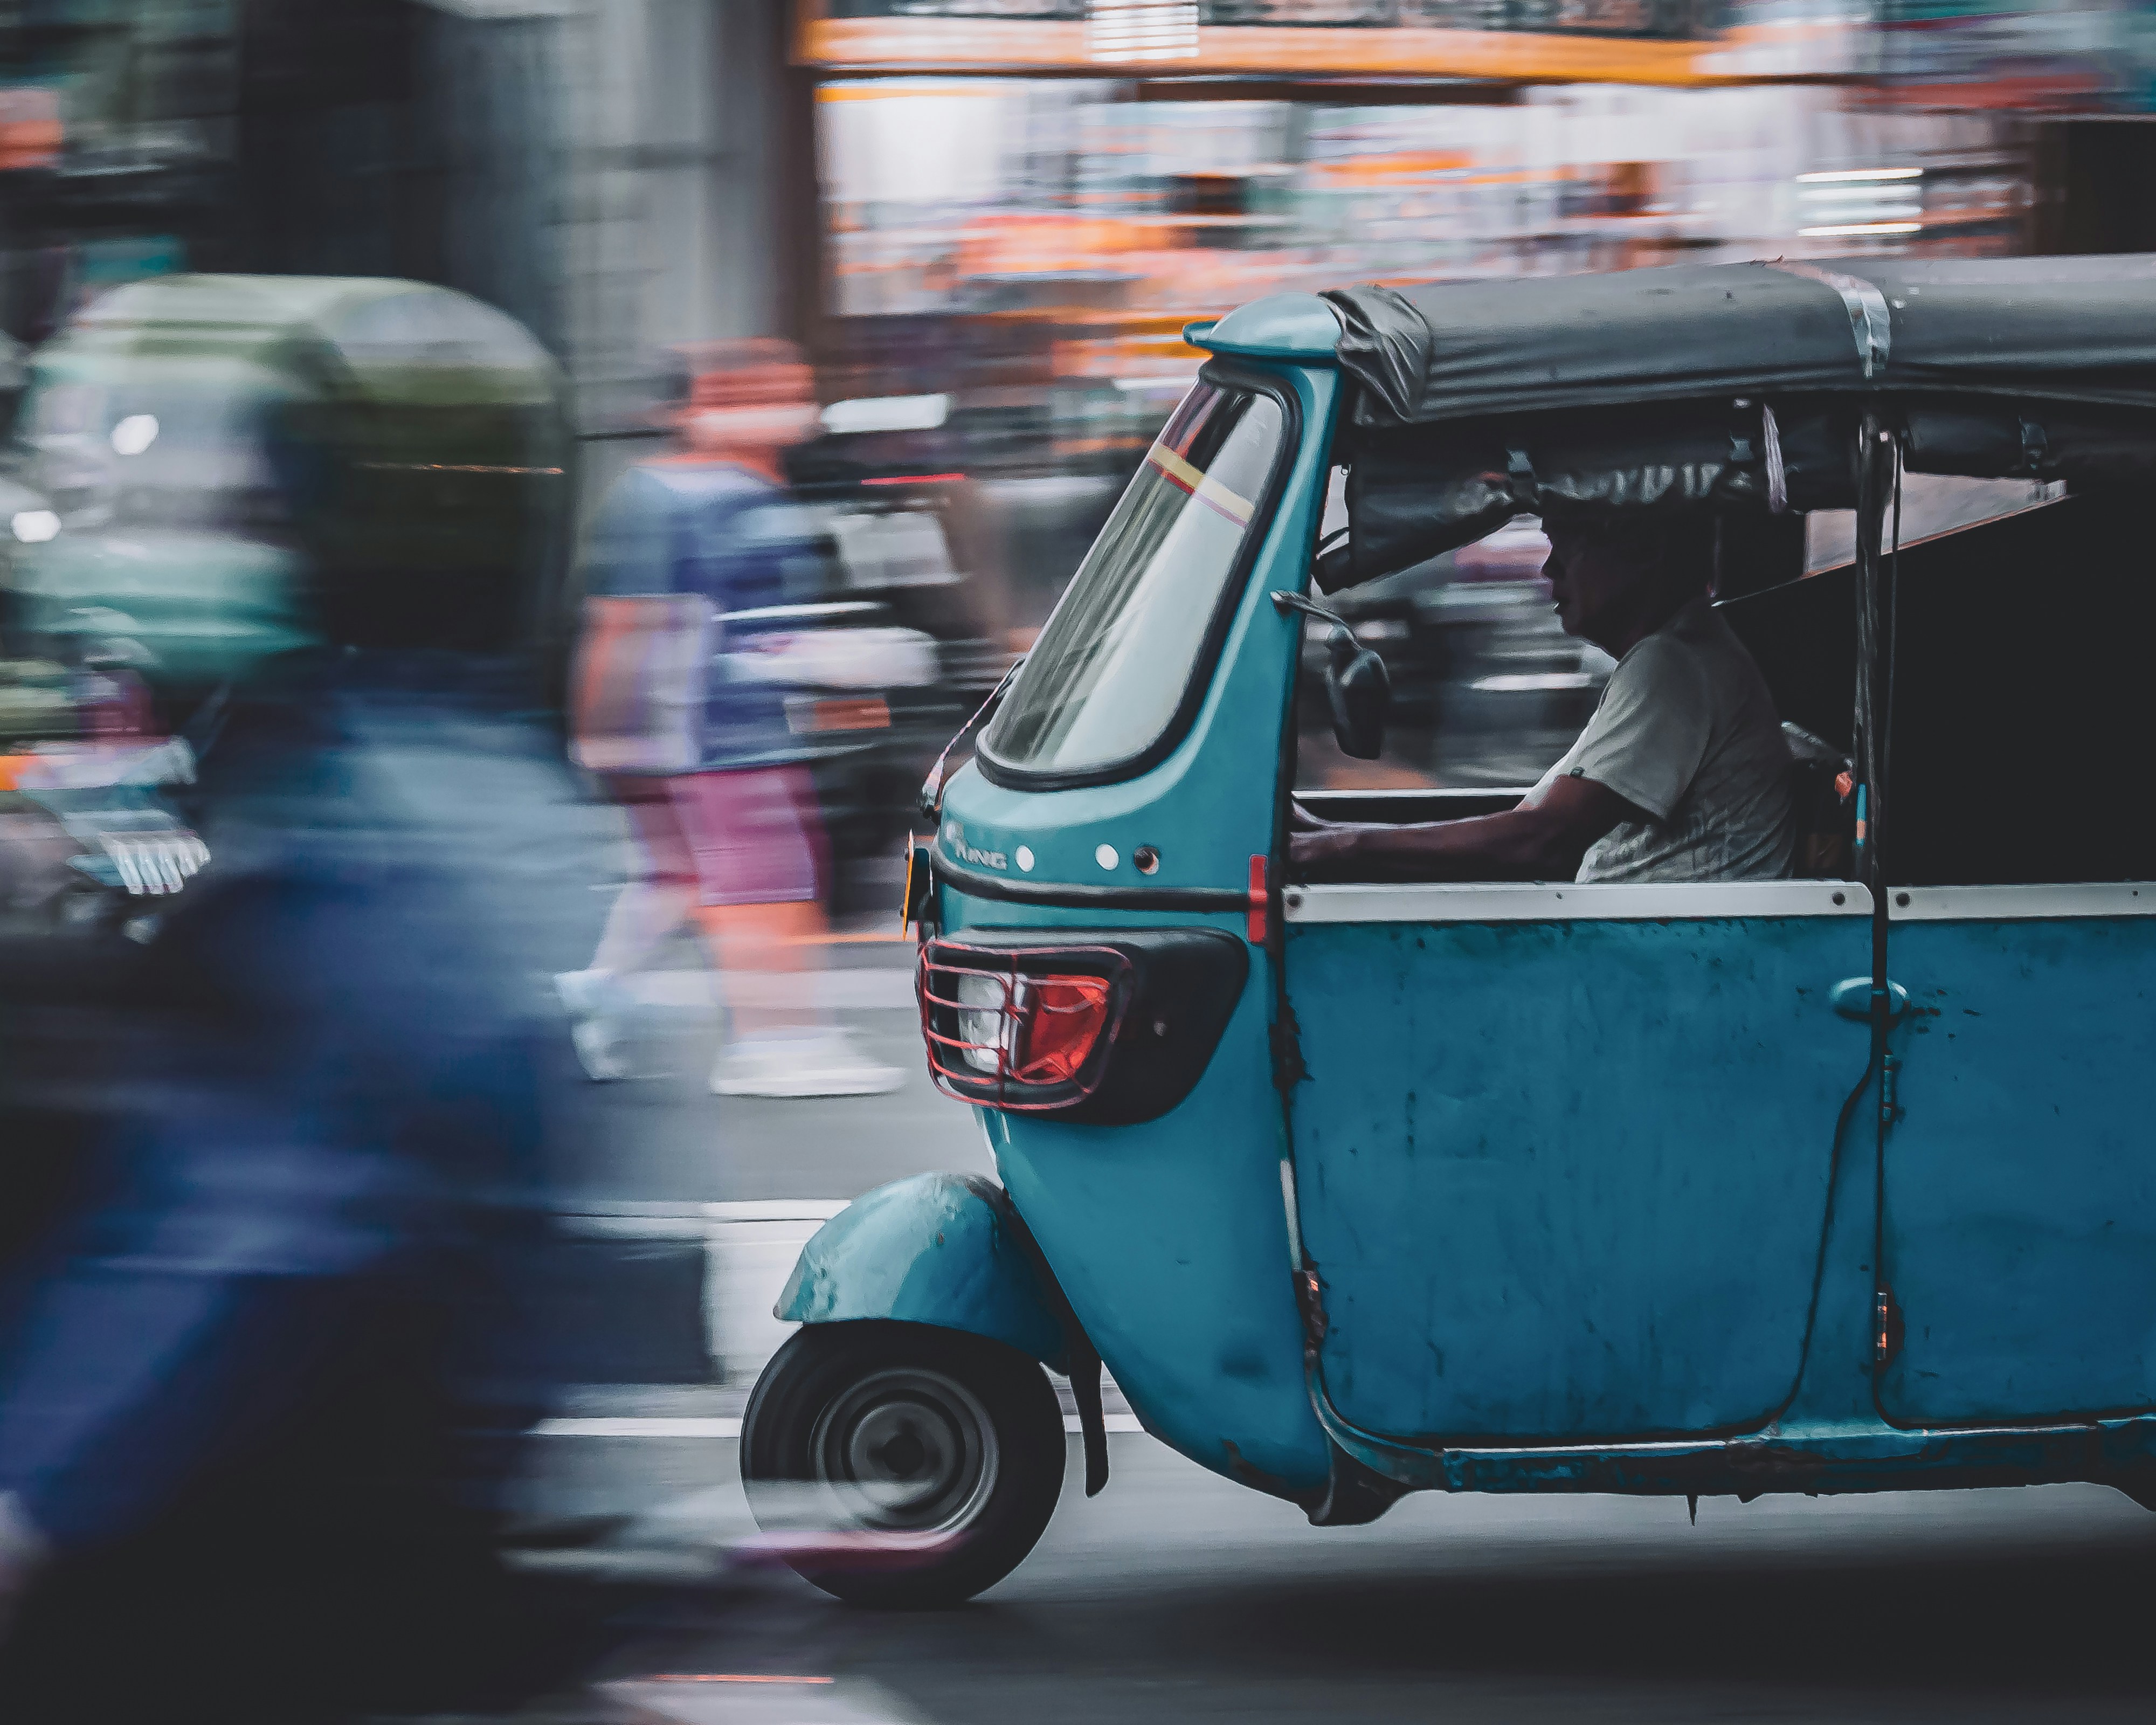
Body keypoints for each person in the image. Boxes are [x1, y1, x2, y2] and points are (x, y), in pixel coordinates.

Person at [557, 341, 902, 1098]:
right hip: (709, 730)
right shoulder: (665, 495)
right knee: (765, 878)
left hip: (747, 720)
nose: (791, 405)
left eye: (795, 387)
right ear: (697, 406)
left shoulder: (759, 488)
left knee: (683, 879)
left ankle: (599, 992)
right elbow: (622, 621)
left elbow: (767, 619)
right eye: (760, 390)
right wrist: (602, 735)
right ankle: (774, 1041)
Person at [1291, 514, 1795, 884]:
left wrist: (1341, 847)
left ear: (1641, 551)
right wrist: (1328, 831)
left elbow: (1543, 840)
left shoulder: (1675, 663)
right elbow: (1538, 825)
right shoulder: (1670, 657)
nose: (1547, 571)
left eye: (1567, 545)